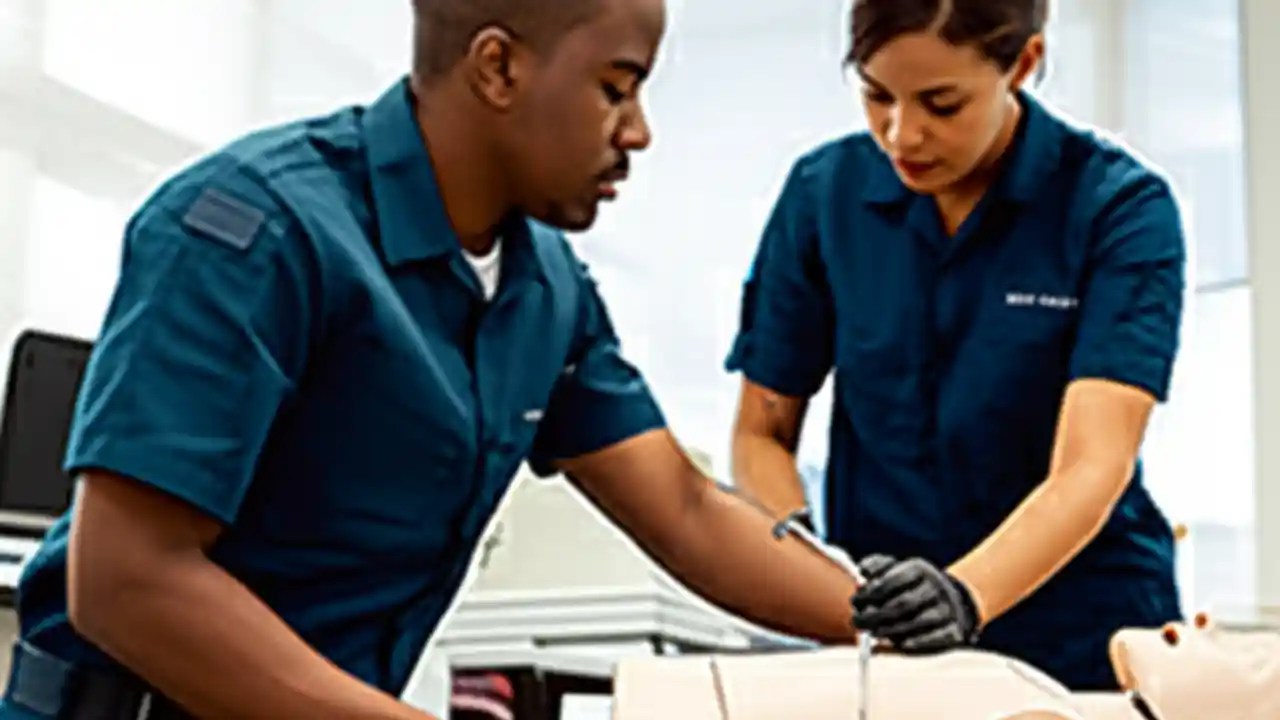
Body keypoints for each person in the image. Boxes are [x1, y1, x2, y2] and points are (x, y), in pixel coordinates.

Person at [0, 1, 866, 718]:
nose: (637, 132)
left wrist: (884, 617)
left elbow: (684, 506)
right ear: (498, 69)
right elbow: (126, 584)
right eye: (616, 88)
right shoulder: (251, 231)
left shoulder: (545, 287)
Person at [726, 0, 1186, 692]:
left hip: (1083, 628)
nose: (901, 134)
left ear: (1024, 64)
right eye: (876, 95)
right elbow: (761, 432)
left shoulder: (1118, 209)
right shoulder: (825, 197)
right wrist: (810, 567)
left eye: (941, 104)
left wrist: (960, 595)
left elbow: (1093, 465)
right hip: (889, 632)